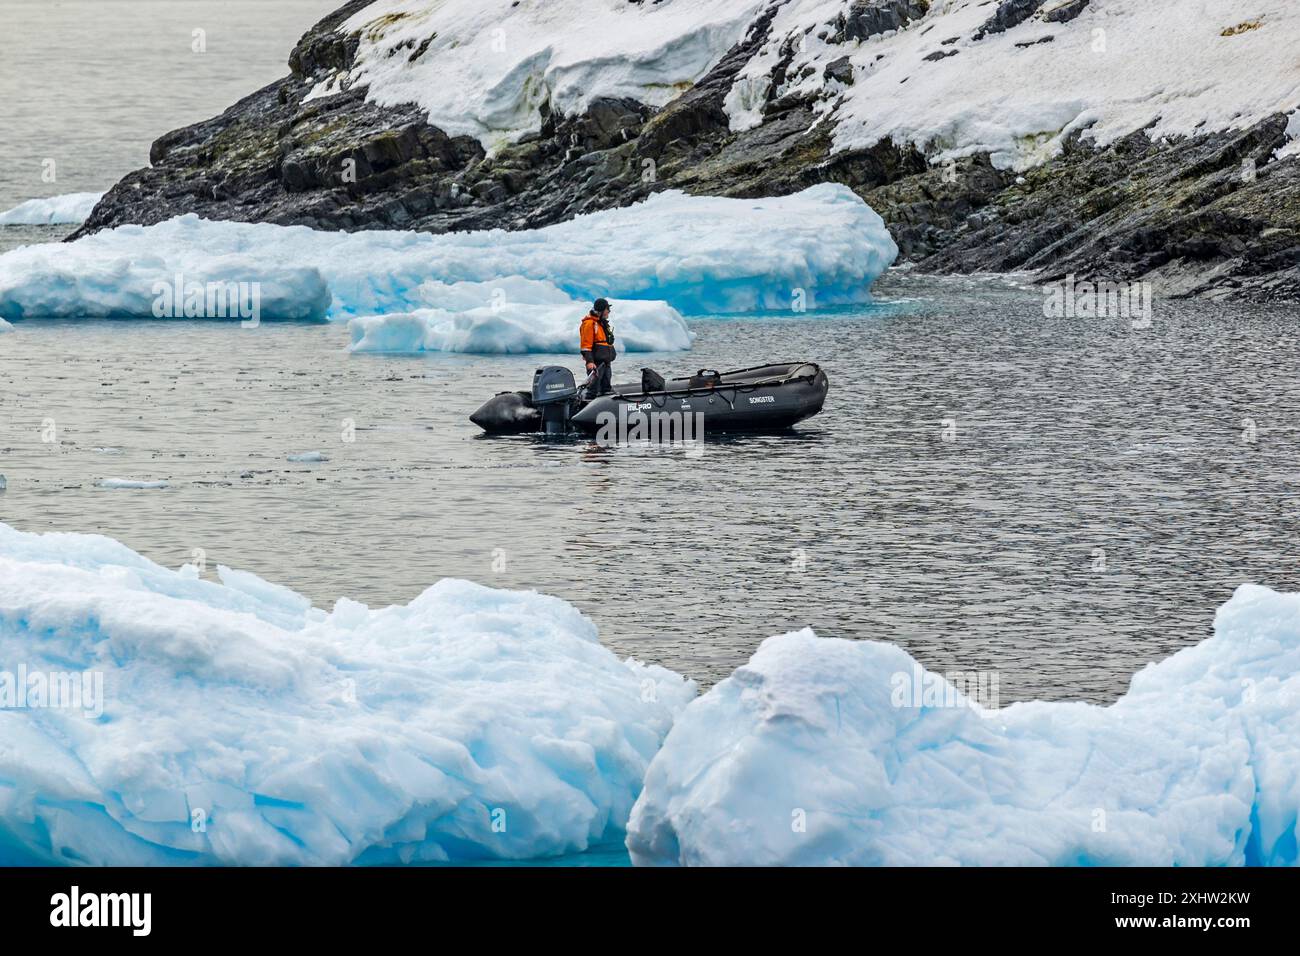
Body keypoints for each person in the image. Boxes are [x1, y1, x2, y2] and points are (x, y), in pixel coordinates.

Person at [579, 298, 617, 398]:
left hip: (606, 363)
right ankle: (587, 406)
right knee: (593, 389)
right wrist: (590, 362)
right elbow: (586, 346)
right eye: (607, 308)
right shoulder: (589, 324)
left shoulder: (602, 324)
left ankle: (606, 407)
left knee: (606, 388)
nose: (609, 311)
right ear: (601, 310)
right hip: (596, 364)